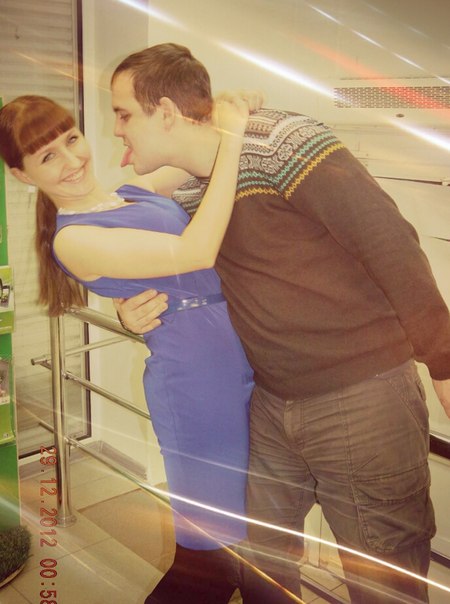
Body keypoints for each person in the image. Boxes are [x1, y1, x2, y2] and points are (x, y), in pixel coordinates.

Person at [111, 43, 450, 603]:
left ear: (166, 112)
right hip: (269, 403)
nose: (117, 128)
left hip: (363, 397)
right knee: (259, 567)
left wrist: (442, 359)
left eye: (124, 113)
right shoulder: (192, 194)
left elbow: (387, 239)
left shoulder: (283, 140)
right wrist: (131, 307)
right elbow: (182, 279)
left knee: (384, 578)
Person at [0, 95, 299, 604]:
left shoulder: (132, 193)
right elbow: (195, 252)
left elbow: (195, 155)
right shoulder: (72, 239)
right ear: (23, 175)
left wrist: (220, 109)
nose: (72, 160)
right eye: (48, 156)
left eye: (72, 139)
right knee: (210, 554)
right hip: (197, 385)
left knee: (249, 536)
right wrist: (232, 134)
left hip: (238, 365)